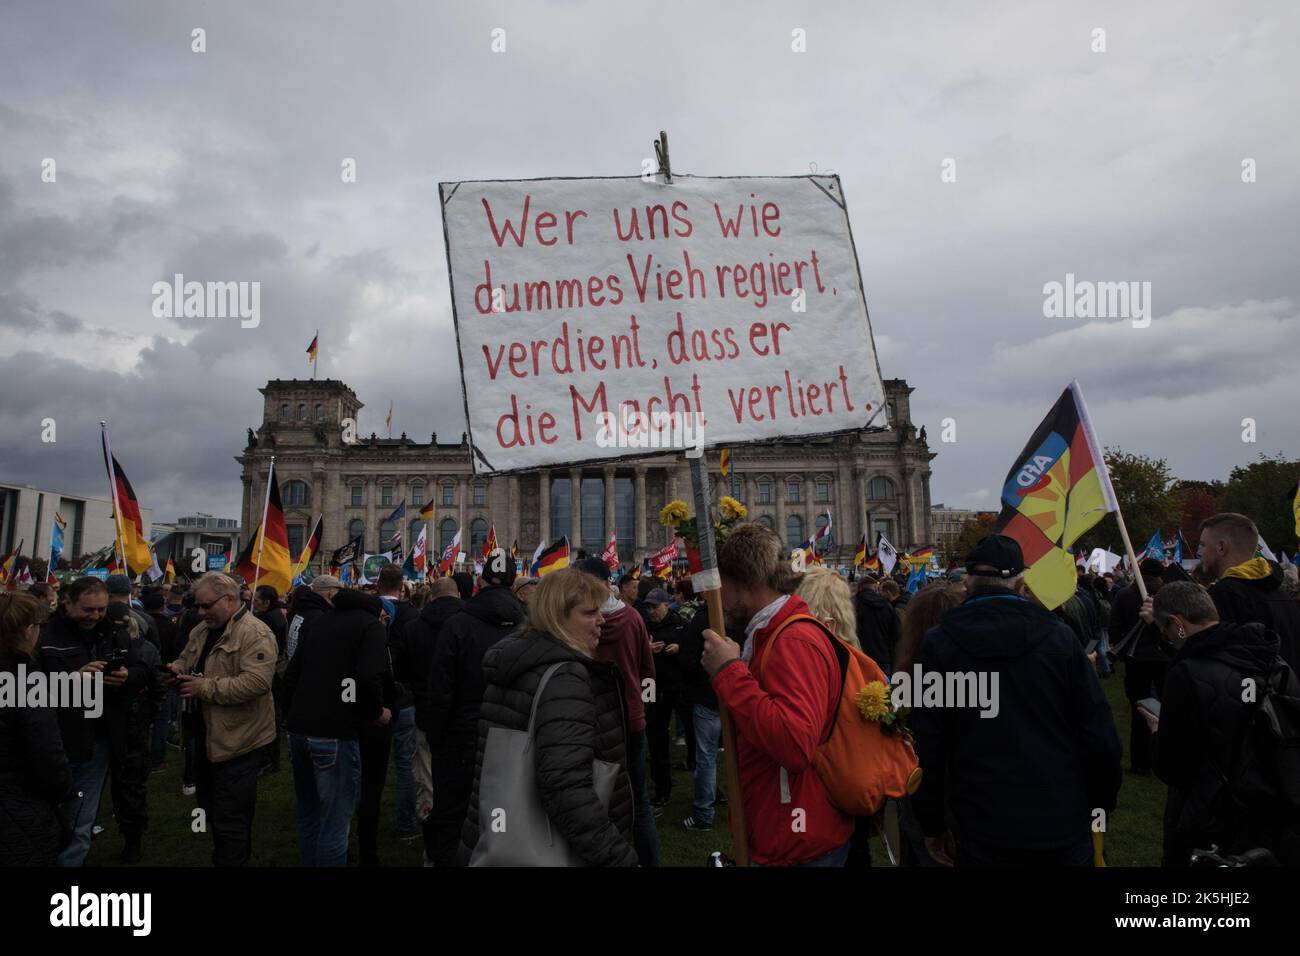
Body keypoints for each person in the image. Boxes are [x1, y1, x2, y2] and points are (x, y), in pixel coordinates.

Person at [910, 535, 1123, 866]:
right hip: (1058, 810)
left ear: (967, 583)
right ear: (1021, 583)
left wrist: (932, 822)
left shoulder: (938, 645)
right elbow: (1097, 731)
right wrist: (1100, 801)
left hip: (981, 817)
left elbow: (930, 745)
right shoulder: (1059, 637)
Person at [458, 569, 637, 866]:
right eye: (591, 613)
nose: (601, 621)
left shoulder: (516, 659)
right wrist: (617, 856)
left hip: (497, 833)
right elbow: (566, 788)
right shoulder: (565, 677)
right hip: (547, 848)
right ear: (558, 617)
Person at [700, 522, 853, 866]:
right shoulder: (773, 632)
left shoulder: (793, 639)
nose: (718, 595)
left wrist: (729, 672)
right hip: (780, 830)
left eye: (722, 582)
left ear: (745, 581)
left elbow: (794, 744)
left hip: (797, 844)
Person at [1145, 582, 1300, 866]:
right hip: (1272, 811)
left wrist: (1157, 732)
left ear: (1176, 623)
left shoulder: (1186, 674)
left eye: (1166, 632)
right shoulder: (1272, 659)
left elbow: (1172, 766)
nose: (1170, 640)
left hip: (1211, 820)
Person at [40, 576, 154, 865]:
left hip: (98, 740)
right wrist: (72, 680)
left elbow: (144, 669)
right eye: (88, 609)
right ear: (66, 602)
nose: (95, 616)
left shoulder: (114, 632)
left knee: (81, 815)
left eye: (101, 609)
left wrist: (127, 677)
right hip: (52, 739)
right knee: (47, 812)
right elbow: (16, 688)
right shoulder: (43, 636)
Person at [167, 572, 277, 866]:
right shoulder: (202, 629)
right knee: (212, 809)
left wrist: (204, 688)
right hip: (207, 737)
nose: (200, 613)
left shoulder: (255, 633)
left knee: (231, 818)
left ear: (230, 600)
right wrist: (175, 669)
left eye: (206, 606)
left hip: (239, 741)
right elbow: (187, 657)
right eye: (197, 607)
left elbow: (257, 683)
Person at [426, 549, 525, 866]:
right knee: (502, 813)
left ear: (480, 580)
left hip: (461, 736)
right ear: (514, 583)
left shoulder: (457, 624)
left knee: (452, 812)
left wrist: (437, 735)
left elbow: (440, 688)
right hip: (512, 738)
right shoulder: (530, 626)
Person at [282, 587, 389, 866]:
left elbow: (291, 674)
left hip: (299, 729)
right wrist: (375, 712)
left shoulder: (318, 623)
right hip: (335, 733)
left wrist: (289, 716)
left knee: (309, 811)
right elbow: (368, 677)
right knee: (335, 819)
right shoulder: (370, 627)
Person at [576, 557, 660, 866]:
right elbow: (647, 671)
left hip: (592, 719)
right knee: (638, 799)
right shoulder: (633, 618)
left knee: (595, 798)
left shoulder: (575, 620)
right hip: (630, 719)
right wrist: (644, 708)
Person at [0, 592, 74, 866]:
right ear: (28, 629)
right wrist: (62, 789)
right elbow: (46, 752)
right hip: (20, 800)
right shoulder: (26, 683)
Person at [395, 576, 463, 855]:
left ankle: (431, 843)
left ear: (432, 597)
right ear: (458, 596)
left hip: (425, 714)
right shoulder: (469, 625)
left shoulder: (412, 629)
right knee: (461, 777)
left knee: (426, 777)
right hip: (461, 717)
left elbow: (401, 674)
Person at [1199, 513, 1300, 671]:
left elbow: (1208, 663)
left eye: (1203, 545)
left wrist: (1173, 628)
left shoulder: (1225, 594)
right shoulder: (1281, 594)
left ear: (1221, 547)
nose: (1200, 553)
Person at [1110, 558, 1171, 773]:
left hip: (1138, 661)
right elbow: (1182, 632)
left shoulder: (1124, 595)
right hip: (1164, 660)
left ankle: (1141, 762)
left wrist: (1120, 649)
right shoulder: (1169, 596)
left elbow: (1114, 627)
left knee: (1139, 712)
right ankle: (1165, 758)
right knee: (1169, 711)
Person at [374, 565, 419, 840]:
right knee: (405, 764)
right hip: (404, 699)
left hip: (373, 700)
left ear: (378, 584)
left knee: (368, 764)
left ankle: (364, 824)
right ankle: (406, 826)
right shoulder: (414, 615)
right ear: (402, 586)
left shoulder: (365, 612)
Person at [637, 586, 686, 808]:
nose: (651, 611)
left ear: (666, 604)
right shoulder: (642, 626)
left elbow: (692, 648)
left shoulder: (680, 622)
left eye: (654, 607)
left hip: (675, 685)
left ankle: (706, 783)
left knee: (691, 734)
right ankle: (661, 786)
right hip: (650, 686)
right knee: (655, 736)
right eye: (648, 607)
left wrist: (679, 648)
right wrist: (646, 649)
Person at [143, 590, 180, 772]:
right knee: (160, 720)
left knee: (142, 719)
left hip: (145, 676)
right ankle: (156, 760)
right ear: (162, 606)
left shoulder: (139, 624)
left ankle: (142, 757)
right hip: (163, 674)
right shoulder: (170, 626)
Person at [854, 573, 899, 671]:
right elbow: (896, 634)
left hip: (859, 657)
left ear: (860, 587)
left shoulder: (852, 605)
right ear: (875, 587)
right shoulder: (887, 605)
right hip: (884, 657)